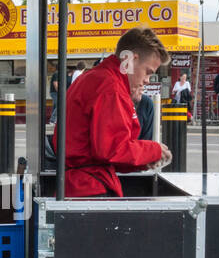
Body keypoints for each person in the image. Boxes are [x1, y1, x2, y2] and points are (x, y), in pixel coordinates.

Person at [58, 27, 170, 196]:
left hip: (81, 182)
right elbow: (111, 149)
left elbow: (104, 151)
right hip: (91, 187)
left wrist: (143, 161)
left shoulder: (96, 78)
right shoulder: (110, 88)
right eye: (148, 72)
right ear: (131, 60)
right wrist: (154, 150)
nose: (147, 80)